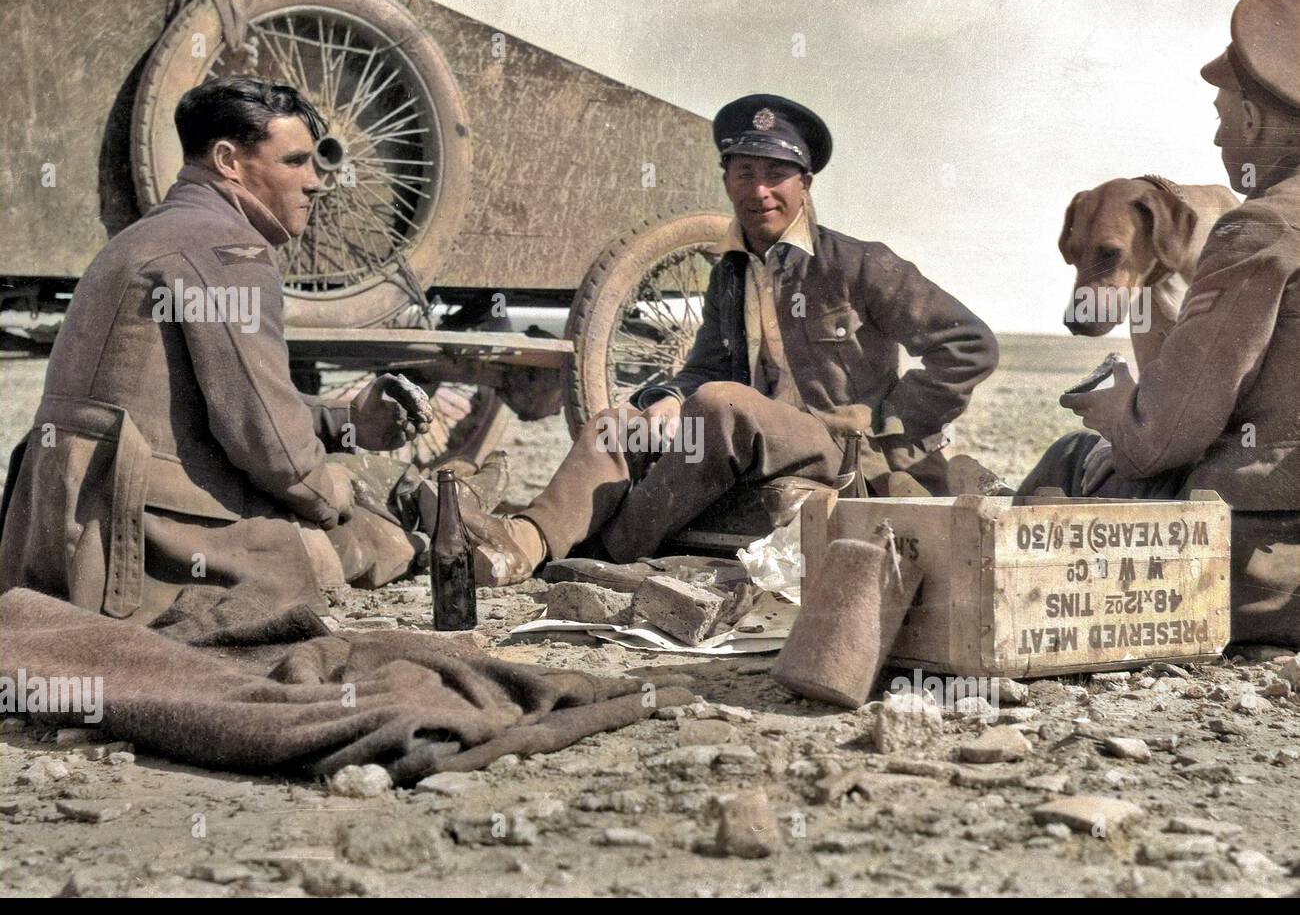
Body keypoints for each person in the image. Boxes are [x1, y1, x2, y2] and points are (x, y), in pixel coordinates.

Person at [466, 94, 998, 585]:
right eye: (744, 173)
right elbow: (708, 366)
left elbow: (970, 344)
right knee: (620, 425)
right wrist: (671, 402)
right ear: (726, 181)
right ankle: (524, 544)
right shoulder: (732, 273)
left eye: (776, 174)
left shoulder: (860, 264)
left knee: (722, 405)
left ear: (805, 184)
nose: (759, 191)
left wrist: (891, 425)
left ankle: (611, 555)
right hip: (756, 442)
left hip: (836, 451)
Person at [0, 76, 464, 622]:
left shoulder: (147, 237)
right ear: (228, 160)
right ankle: (502, 535)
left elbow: (220, 404)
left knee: (369, 489)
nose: (317, 183)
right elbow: (274, 451)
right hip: (136, 549)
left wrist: (344, 419)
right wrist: (331, 487)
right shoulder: (226, 250)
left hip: (54, 541)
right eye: (295, 162)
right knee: (371, 526)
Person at [1042, 0, 1300, 651]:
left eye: (1223, 117)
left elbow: (1163, 437)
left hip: (1256, 567)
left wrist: (1111, 407)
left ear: (1254, 116)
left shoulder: (1261, 228)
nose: (1217, 136)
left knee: (1073, 463)